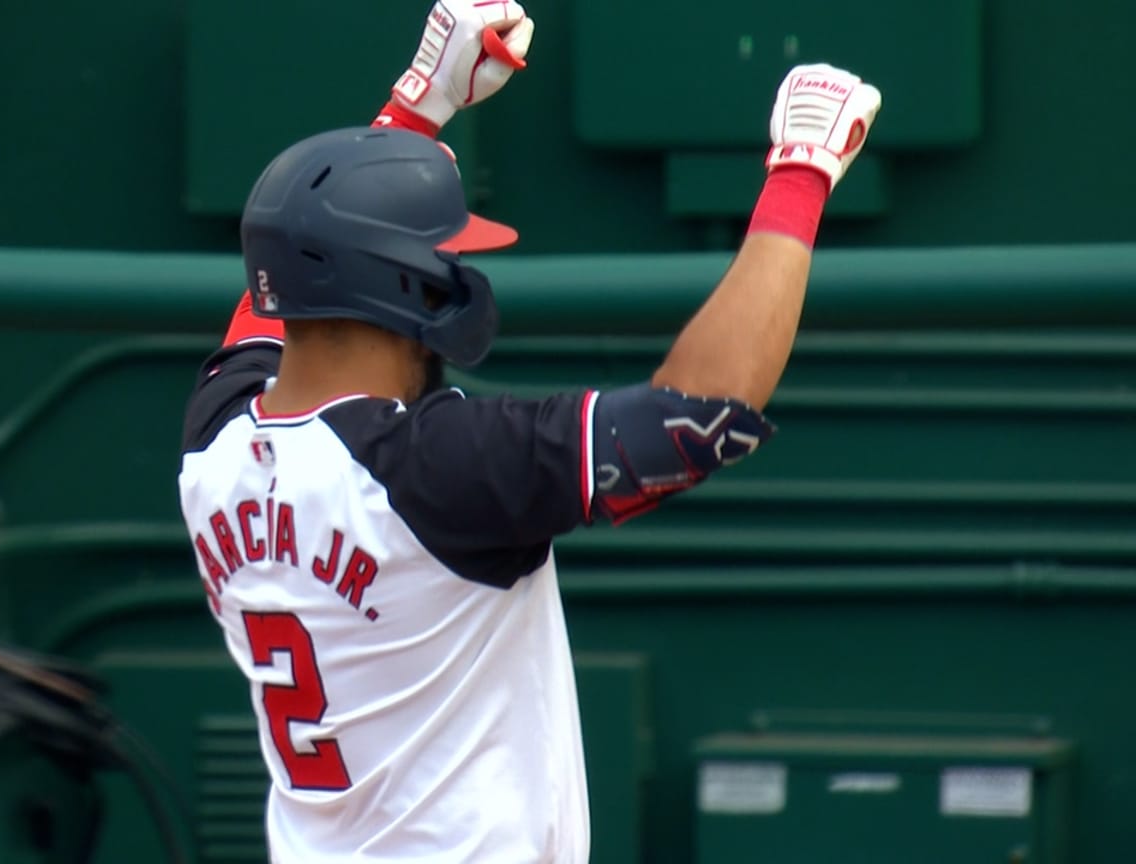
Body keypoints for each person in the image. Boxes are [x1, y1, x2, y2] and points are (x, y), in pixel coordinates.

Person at [178, 1, 882, 858]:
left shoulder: (215, 442)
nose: (455, 269)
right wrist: (803, 172)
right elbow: (699, 414)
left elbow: (278, 296)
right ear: (400, 287)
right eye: (444, 258)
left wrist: (419, 105)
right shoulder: (433, 470)